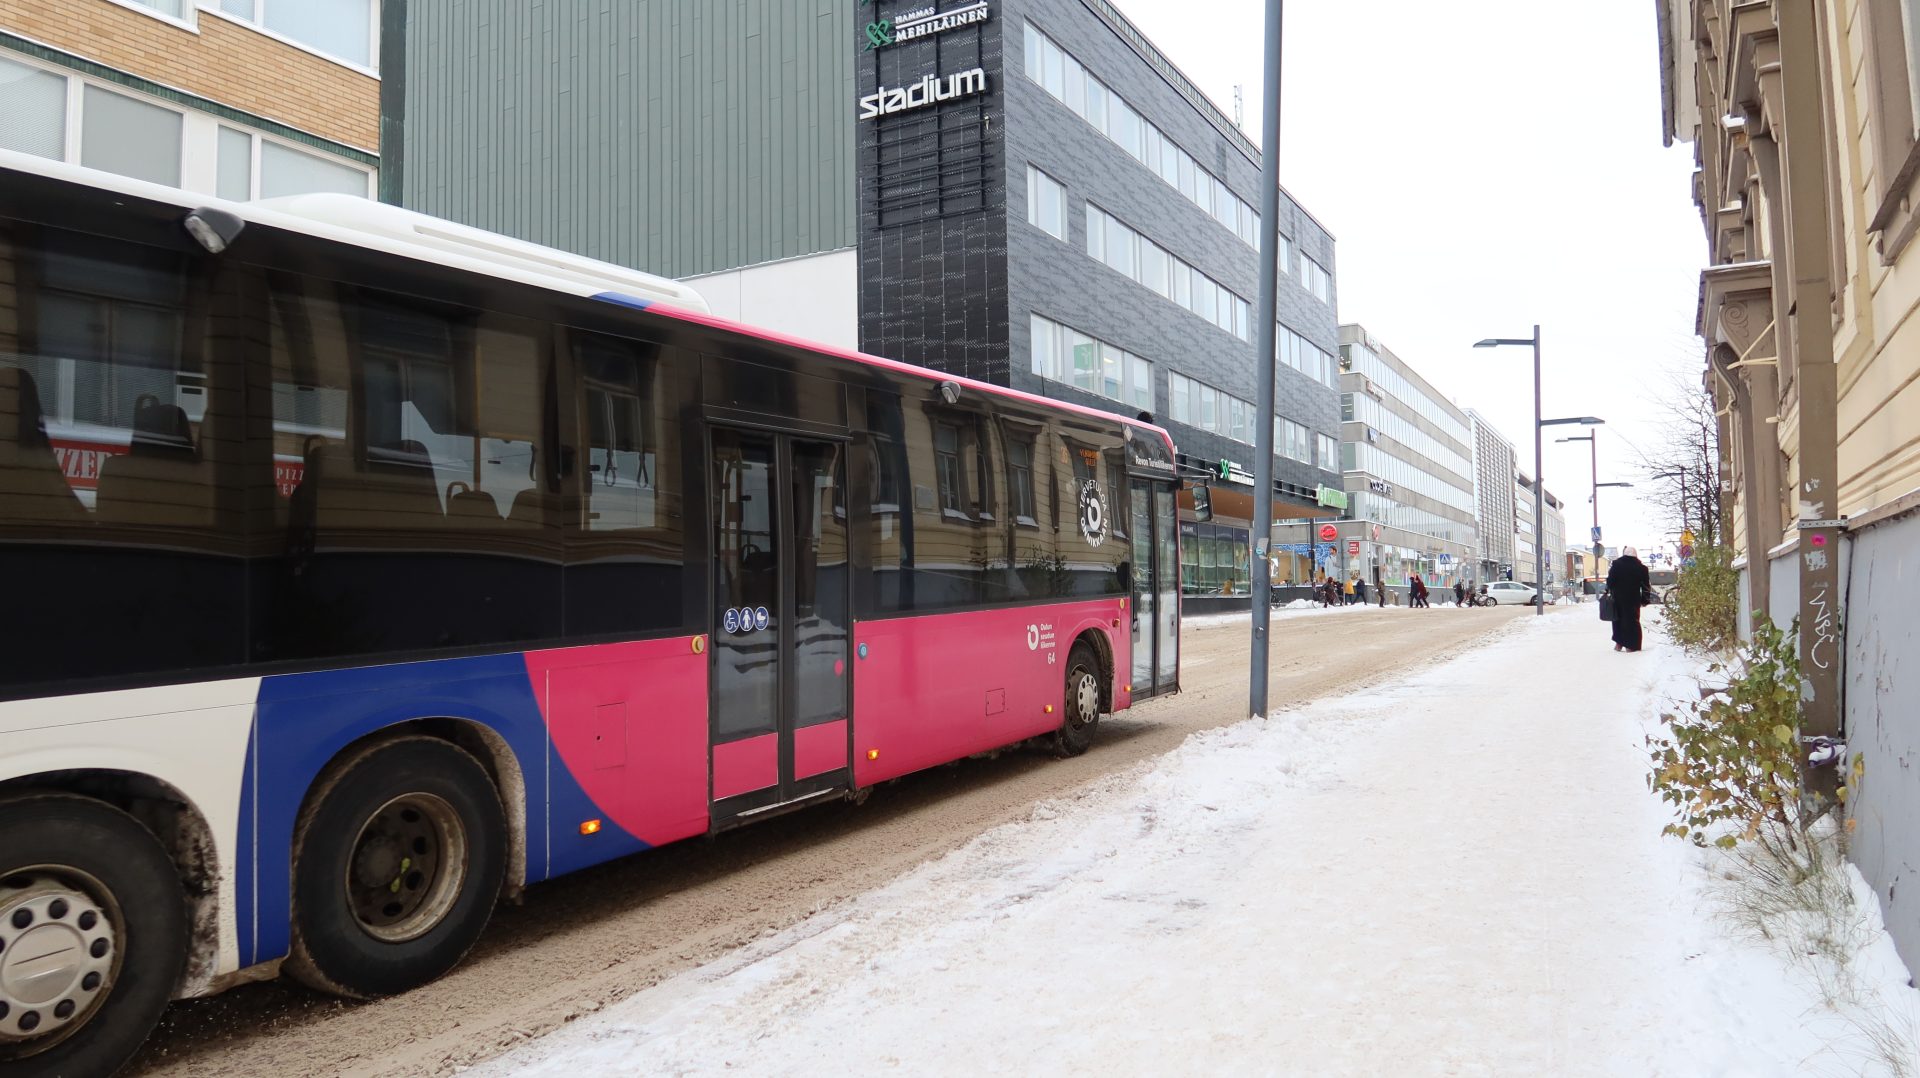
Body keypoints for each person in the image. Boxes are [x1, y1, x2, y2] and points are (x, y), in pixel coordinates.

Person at [1606, 546, 1653, 652]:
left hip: (1617, 598)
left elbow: (1610, 582)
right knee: (1632, 621)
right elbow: (1646, 586)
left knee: (1617, 620)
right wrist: (1645, 600)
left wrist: (1610, 589)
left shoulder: (1616, 565)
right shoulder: (1642, 568)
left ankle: (1619, 644)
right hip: (1633, 599)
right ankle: (1632, 646)